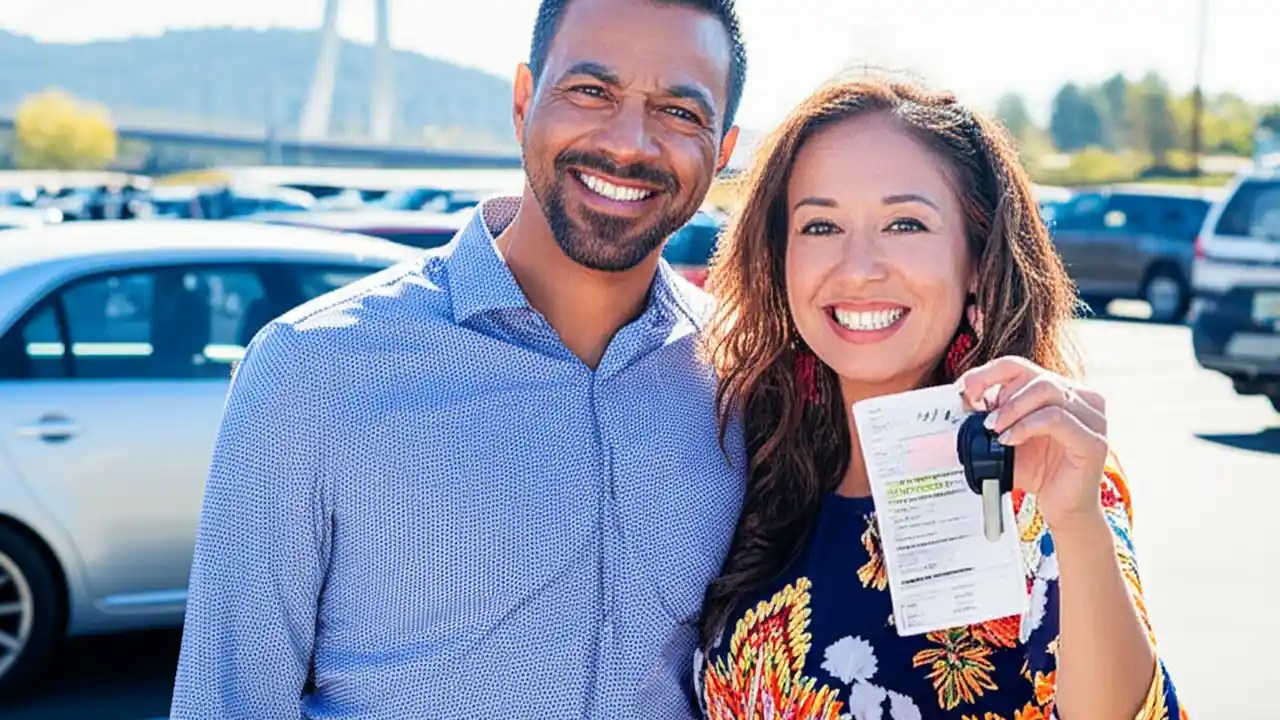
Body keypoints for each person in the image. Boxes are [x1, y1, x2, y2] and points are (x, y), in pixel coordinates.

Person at [170, 0, 747, 717]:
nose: (629, 143)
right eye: (591, 91)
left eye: (679, 113)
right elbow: (226, 701)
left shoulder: (744, 379)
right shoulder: (312, 372)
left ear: (722, 152)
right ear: (522, 102)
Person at [694, 77, 1185, 720]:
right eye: (820, 225)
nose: (859, 266)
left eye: (905, 223)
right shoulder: (741, 457)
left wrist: (1077, 520)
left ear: (976, 260)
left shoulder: (1040, 470)